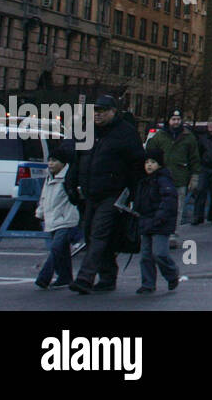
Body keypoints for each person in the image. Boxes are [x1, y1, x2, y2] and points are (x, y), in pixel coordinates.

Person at [71, 95, 145, 294]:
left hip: (113, 192)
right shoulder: (88, 131)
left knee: (99, 234)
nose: (97, 114)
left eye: (102, 110)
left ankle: (85, 277)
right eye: (95, 110)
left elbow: (137, 165)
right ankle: (108, 275)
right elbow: (77, 159)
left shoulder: (126, 134)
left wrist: (132, 194)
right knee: (91, 234)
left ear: (114, 111)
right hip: (90, 192)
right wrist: (72, 185)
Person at [144, 109, 199, 248]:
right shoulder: (159, 136)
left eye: (178, 119)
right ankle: (158, 232)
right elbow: (150, 153)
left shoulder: (188, 137)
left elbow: (194, 158)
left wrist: (195, 176)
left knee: (178, 207)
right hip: (161, 178)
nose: (176, 122)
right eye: (173, 119)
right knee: (159, 205)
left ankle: (173, 234)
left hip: (180, 177)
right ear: (168, 121)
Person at [134, 147, 182, 293]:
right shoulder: (144, 181)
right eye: (147, 162)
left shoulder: (163, 179)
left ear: (159, 164)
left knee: (159, 253)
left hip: (160, 222)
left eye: (153, 162)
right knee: (146, 256)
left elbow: (169, 200)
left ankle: (172, 274)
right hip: (146, 221)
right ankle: (148, 284)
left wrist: (160, 217)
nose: (149, 165)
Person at [34, 148, 82, 290]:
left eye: (54, 161)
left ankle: (44, 277)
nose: (50, 163)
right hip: (53, 219)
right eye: (49, 160)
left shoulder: (69, 178)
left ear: (63, 163)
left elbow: (77, 196)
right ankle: (65, 277)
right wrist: (40, 212)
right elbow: (44, 197)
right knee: (62, 251)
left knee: (56, 248)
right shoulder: (49, 177)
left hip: (66, 219)